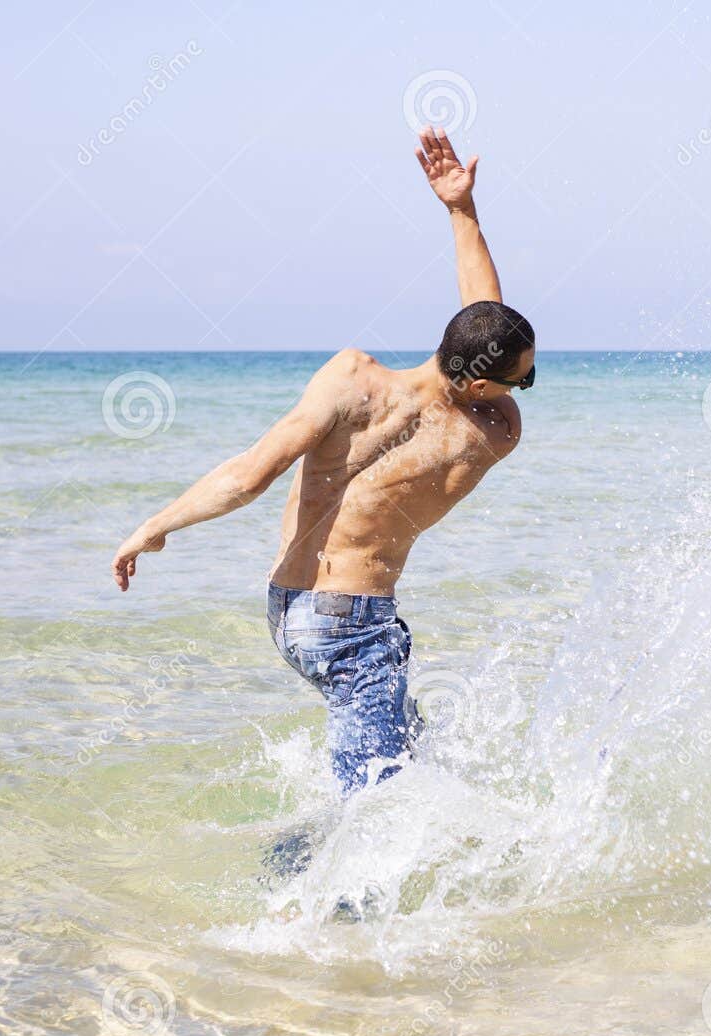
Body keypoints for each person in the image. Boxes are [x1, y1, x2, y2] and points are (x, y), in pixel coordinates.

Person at [110, 127, 534, 873]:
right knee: (373, 812)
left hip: (289, 612)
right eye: (522, 377)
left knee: (410, 762)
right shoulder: (492, 431)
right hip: (355, 629)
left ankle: (380, 879)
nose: (526, 387)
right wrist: (462, 213)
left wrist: (155, 526)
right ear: (480, 384)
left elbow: (250, 475)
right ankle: (293, 909)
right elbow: (487, 331)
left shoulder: (351, 378)